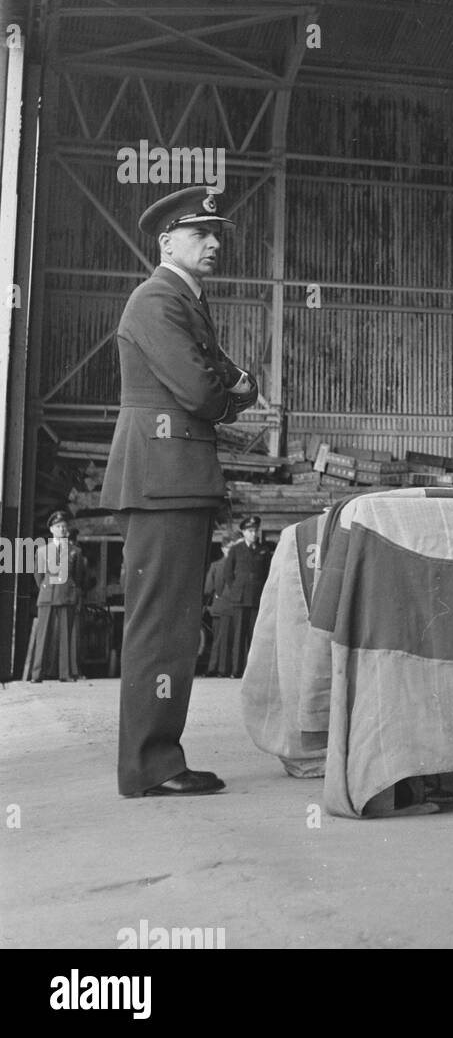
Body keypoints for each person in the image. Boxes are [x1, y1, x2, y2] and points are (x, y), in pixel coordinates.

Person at [100, 187, 259, 797]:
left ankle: (159, 757)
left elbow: (230, 383)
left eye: (218, 233)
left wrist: (228, 383)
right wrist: (227, 385)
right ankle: (149, 765)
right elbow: (206, 391)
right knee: (160, 626)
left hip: (177, 479)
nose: (215, 243)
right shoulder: (157, 301)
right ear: (167, 242)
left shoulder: (186, 302)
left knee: (173, 624)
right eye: (201, 234)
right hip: (162, 478)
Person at [29, 511, 88, 682]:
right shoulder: (42, 551)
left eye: (64, 526)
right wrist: (45, 588)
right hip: (47, 595)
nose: (61, 529)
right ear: (51, 530)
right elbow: (38, 575)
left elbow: (77, 576)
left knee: (65, 636)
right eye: (58, 526)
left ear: (67, 530)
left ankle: (65, 673)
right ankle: (36, 674)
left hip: (66, 595)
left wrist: (70, 590)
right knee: (43, 635)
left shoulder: (75, 551)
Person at [223, 516, 270, 676]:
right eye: (250, 531)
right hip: (240, 599)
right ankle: (236, 670)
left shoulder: (263, 549)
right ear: (243, 532)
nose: (253, 533)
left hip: (256, 599)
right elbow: (228, 574)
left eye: (255, 530)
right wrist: (236, 590)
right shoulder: (236, 550)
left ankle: (252, 671)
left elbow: (267, 573)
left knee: (254, 636)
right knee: (238, 637)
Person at [205, 536, 241, 676]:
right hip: (232, 606)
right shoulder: (235, 565)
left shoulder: (215, 566)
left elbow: (208, 588)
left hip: (219, 605)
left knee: (218, 640)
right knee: (230, 640)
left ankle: (214, 668)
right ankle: (224, 669)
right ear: (224, 548)